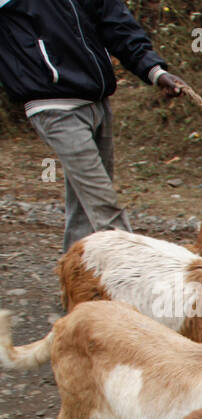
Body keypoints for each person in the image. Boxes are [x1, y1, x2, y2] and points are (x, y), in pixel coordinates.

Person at [0, 0, 185, 251]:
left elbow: (116, 23)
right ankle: (138, 273)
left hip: (98, 102)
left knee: (85, 207)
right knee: (104, 208)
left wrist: (154, 70)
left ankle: (74, 283)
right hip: (52, 105)